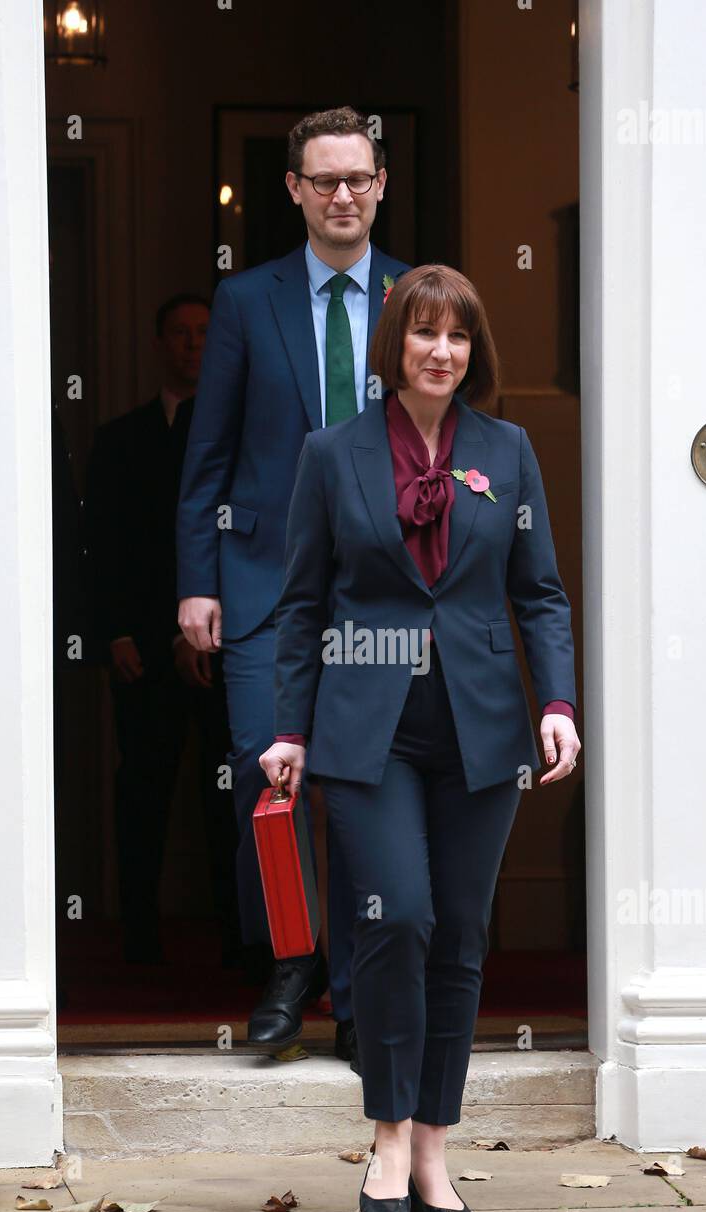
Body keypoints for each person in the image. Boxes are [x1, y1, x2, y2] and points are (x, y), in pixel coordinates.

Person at [259, 265, 581, 1212]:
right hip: (369, 725)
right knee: (395, 915)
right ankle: (386, 1129)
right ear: (395, 342)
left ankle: (435, 1146)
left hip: (483, 726)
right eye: (425, 333)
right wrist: (289, 724)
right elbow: (303, 601)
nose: (442, 351)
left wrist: (556, 700)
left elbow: (540, 591)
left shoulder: (508, 450)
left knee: (462, 935)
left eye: (459, 337)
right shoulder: (333, 453)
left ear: (472, 351)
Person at [176, 107, 409, 1065]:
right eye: (323, 181)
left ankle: (356, 999)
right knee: (262, 782)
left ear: (381, 183)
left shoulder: (414, 298)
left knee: (361, 787)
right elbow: (209, 453)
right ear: (294, 191)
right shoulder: (245, 300)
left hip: (386, 596)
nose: (342, 196)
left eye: (357, 178)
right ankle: (288, 966)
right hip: (261, 581)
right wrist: (197, 581)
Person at [85, 293, 240, 967]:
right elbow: (102, 544)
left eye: (204, 332)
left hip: (226, 650)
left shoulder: (242, 440)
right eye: (179, 333)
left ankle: (241, 943)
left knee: (226, 795)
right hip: (143, 649)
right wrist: (115, 631)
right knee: (143, 791)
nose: (192, 344)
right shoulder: (120, 440)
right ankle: (139, 944)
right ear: (159, 344)